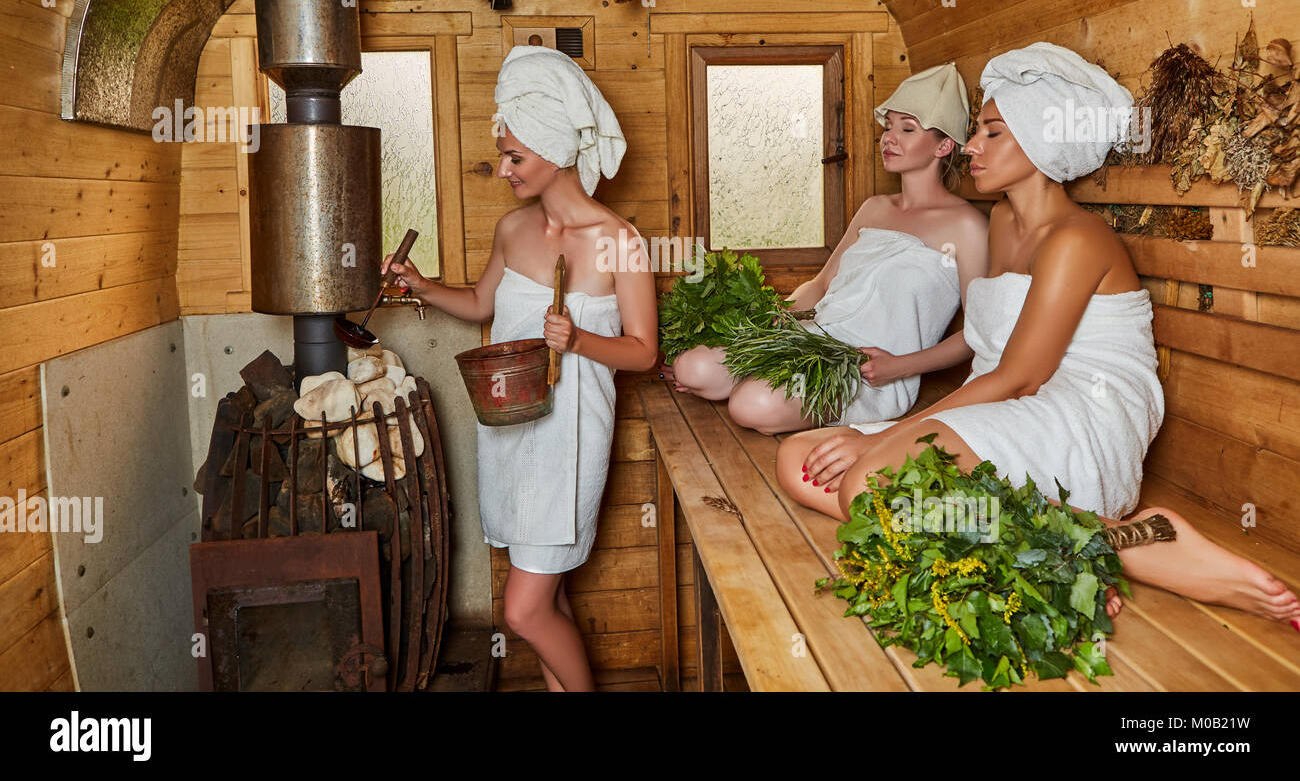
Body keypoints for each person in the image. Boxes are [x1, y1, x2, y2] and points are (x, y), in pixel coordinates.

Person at [777, 42, 1300, 627]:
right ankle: (1062, 550)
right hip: (1007, 403)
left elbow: (1022, 374)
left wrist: (886, 438)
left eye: (993, 132)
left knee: (867, 482)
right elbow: (995, 363)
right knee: (800, 457)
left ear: (1045, 139)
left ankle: (1134, 546)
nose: (972, 146)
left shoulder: (1077, 238)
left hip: (1077, 413)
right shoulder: (1002, 220)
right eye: (976, 130)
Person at [383, 46, 660, 690]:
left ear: (556, 150)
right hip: (508, 430)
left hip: (571, 440)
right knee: (548, 600)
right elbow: (482, 304)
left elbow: (644, 351)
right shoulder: (512, 229)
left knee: (523, 610)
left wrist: (581, 340)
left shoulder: (621, 241)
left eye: (516, 156)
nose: (503, 170)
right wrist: (422, 286)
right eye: (504, 155)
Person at [665, 62, 988, 434]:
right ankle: (761, 383)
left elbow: (977, 333)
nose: (889, 138)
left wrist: (901, 366)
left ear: (944, 145)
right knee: (694, 367)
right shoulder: (875, 208)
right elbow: (821, 284)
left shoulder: (967, 227)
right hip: (812, 335)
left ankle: (763, 390)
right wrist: (774, 320)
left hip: (867, 370)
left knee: (750, 405)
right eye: (888, 127)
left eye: (907, 129)